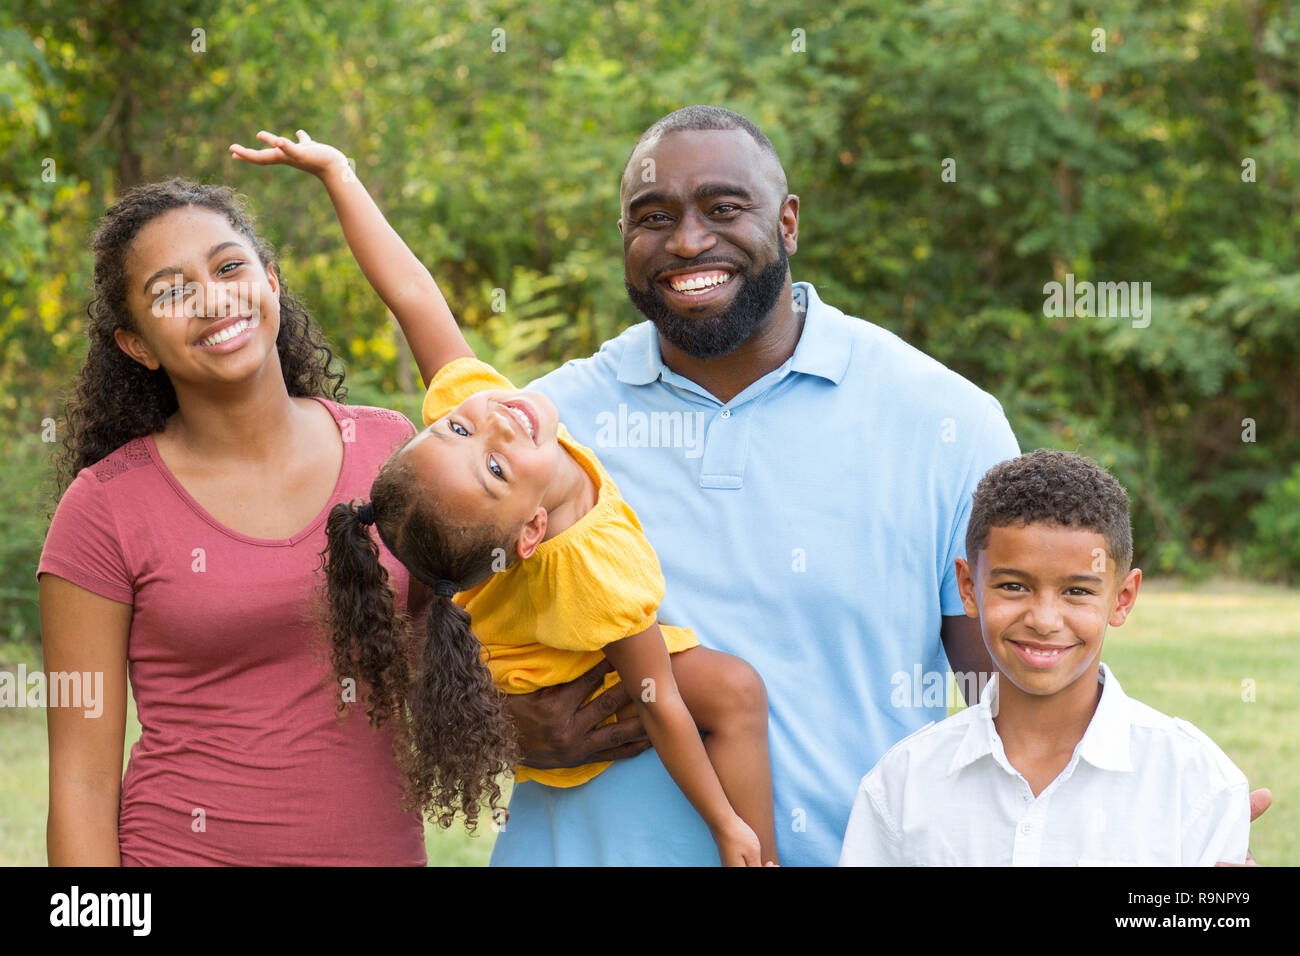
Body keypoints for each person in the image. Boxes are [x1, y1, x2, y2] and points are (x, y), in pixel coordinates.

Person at [475, 105, 1269, 866]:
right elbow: (414, 648)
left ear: (788, 222)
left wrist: (1167, 834)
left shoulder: (946, 420)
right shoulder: (538, 430)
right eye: (652, 216)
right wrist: (498, 721)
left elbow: (1019, 698)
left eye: (723, 208)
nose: (687, 240)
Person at [230, 129, 780, 866]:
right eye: (493, 466)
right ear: (530, 532)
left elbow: (411, 293)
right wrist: (726, 826)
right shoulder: (593, 569)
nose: (492, 421)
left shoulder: (486, 414)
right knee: (736, 690)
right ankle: (762, 853)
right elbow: (661, 702)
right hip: (552, 684)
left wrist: (340, 175)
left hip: (503, 634)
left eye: (455, 425)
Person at [37, 180, 426, 865]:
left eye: (229, 267)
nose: (214, 299)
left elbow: (457, 650)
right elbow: (81, 782)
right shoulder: (104, 507)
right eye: (170, 291)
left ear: (270, 281)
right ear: (137, 345)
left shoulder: (390, 452)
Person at [838, 449, 1250, 866]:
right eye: (1014, 586)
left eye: (1077, 591)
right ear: (967, 587)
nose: (1045, 620)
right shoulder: (903, 785)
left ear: (1122, 599)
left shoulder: (1196, 784)